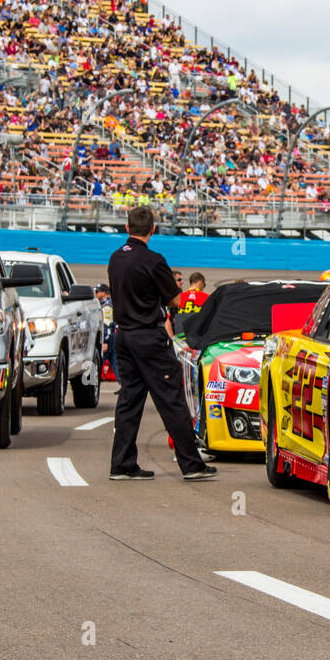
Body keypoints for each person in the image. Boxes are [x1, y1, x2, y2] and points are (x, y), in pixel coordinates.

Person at [107, 206, 217, 481]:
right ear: (153, 230)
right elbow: (175, 300)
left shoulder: (115, 258)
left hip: (124, 335)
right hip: (149, 336)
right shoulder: (154, 260)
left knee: (129, 402)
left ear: (127, 228)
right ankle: (191, 464)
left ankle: (122, 463)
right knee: (172, 400)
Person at [95, 283, 118, 384]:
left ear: (104, 293)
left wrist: (105, 341)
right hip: (113, 337)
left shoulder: (107, 306)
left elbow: (107, 325)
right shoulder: (108, 303)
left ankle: (91, 383)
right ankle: (124, 385)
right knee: (115, 362)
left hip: (108, 338)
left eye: (97, 291)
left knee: (99, 362)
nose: (95, 294)